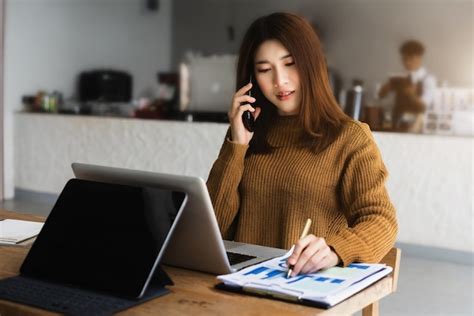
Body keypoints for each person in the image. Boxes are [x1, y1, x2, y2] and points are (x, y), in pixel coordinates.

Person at [206, 12, 398, 276]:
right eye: (264, 69)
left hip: (302, 288)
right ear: (251, 79)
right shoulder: (247, 133)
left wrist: (334, 250)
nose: (279, 81)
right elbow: (212, 227)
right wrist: (236, 145)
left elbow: (380, 220)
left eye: (290, 64)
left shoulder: (350, 138)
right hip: (241, 285)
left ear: (311, 64)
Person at [378, 40, 437, 133]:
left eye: (410, 59)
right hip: (396, 124)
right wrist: (384, 90)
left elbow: (425, 106)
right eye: (404, 59)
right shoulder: (400, 77)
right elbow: (381, 98)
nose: (407, 62)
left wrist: (412, 95)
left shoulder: (428, 80)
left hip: (417, 126)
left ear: (419, 58)